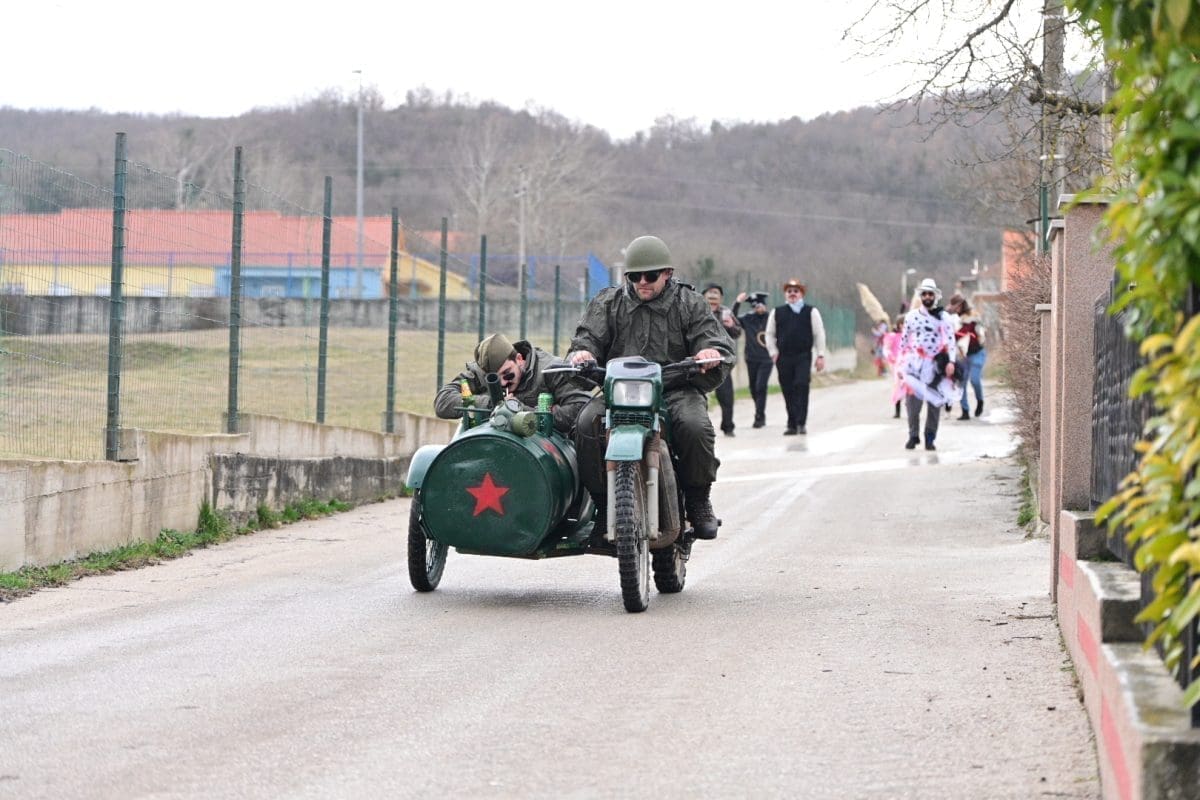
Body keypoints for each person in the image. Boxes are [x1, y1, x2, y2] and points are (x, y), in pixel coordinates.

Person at [568, 235, 734, 540]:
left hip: (675, 386)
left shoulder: (689, 303)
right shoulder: (609, 302)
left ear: (667, 273)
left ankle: (698, 499)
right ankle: (603, 504)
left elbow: (711, 337)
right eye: (634, 276)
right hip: (621, 390)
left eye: (651, 275)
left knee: (695, 426)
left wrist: (709, 351)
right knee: (586, 423)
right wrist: (583, 353)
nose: (642, 282)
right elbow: (587, 337)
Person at [434, 333, 592, 434]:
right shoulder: (479, 373)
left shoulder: (550, 369)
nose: (503, 383)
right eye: (495, 380)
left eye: (507, 373)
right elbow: (443, 401)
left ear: (519, 359)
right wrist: (493, 404)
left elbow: (580, 409)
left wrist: (520, 411)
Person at [897, 278, 958, 451]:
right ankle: (913, 435)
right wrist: (900, 364)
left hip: (935, 365)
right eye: (924, 294)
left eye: (930, 294)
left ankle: (930, 438)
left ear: (935, 296)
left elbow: (951, 341)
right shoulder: (911, 317)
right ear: (920, 296)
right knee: (912, 404)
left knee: (934, 404)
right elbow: (904, 342)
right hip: (915, 364)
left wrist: (951, 361)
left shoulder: (944, 317)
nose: (927, 297)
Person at [764, 279, 826, 435]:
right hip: (783, 356)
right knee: (787, 388)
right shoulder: (777, 312)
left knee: (801, 385)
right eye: (789, 291)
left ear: (801, 294)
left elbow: (819, 333)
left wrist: (820, 355)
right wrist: (773, 352)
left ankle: (801, 422)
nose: (792, 294)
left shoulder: (811, 311)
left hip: (803, 355)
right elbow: (769, 334)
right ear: (785, 294)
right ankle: (791, 423)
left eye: (796, 291)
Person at [703, 283, 743, 437]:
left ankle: (728, 426)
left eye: (716, 295)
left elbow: (737, 333)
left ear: (720, 299)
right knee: (699, 398)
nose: (713, 299)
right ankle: (703, 429)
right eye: (710, 296)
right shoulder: (697, 312)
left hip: (722, 361)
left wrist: (731, 326)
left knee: (726, 397)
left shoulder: (726, 313)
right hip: (701, 361)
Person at [733, 290, 772, 427]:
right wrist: (738, 303)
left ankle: (759, 416)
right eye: (755, 306)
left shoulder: (771, 318)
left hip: (767, 358)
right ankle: (760, 411)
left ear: (765, 305)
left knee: (761, 386)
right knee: (753, 387)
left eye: (760, 305)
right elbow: (733, 319)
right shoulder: (748, 318)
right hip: (751, 358)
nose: (758, 308)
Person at [947, 293, 987, 419]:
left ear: (963, 304)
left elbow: (965, 332)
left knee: (975, 380)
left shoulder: (972, 317)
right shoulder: (953, 319)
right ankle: (965, 411)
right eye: (955, 307)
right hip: (962, 355)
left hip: (977, 353)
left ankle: (980, 401)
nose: (957, 308)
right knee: (961, 383)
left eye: (958, 306)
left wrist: (952, 337)